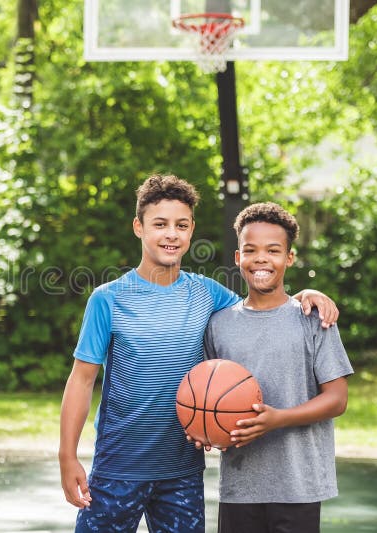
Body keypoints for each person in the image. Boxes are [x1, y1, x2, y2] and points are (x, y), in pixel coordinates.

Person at [58, 175, 340, 533]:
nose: (171, 234)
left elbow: (260, 306)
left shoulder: (208, 294)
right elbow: (81, 381)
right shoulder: (108, 299)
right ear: (138, 227)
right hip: (118, 467)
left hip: (182, 472)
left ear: (192, 231)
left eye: (181, 225)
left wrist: (304, 295)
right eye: (160, 224)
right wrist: (67, 456)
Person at [201, 201, 354, 533]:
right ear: (238, 258)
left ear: (289, 258)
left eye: (273, 250)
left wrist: (278, 419)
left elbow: (338, 399)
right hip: (239, 487)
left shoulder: (314, 318)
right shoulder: (219, 325)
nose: (261, 258)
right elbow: (205, 396)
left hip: (298, 486)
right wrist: (202, 428)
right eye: (250, 250)